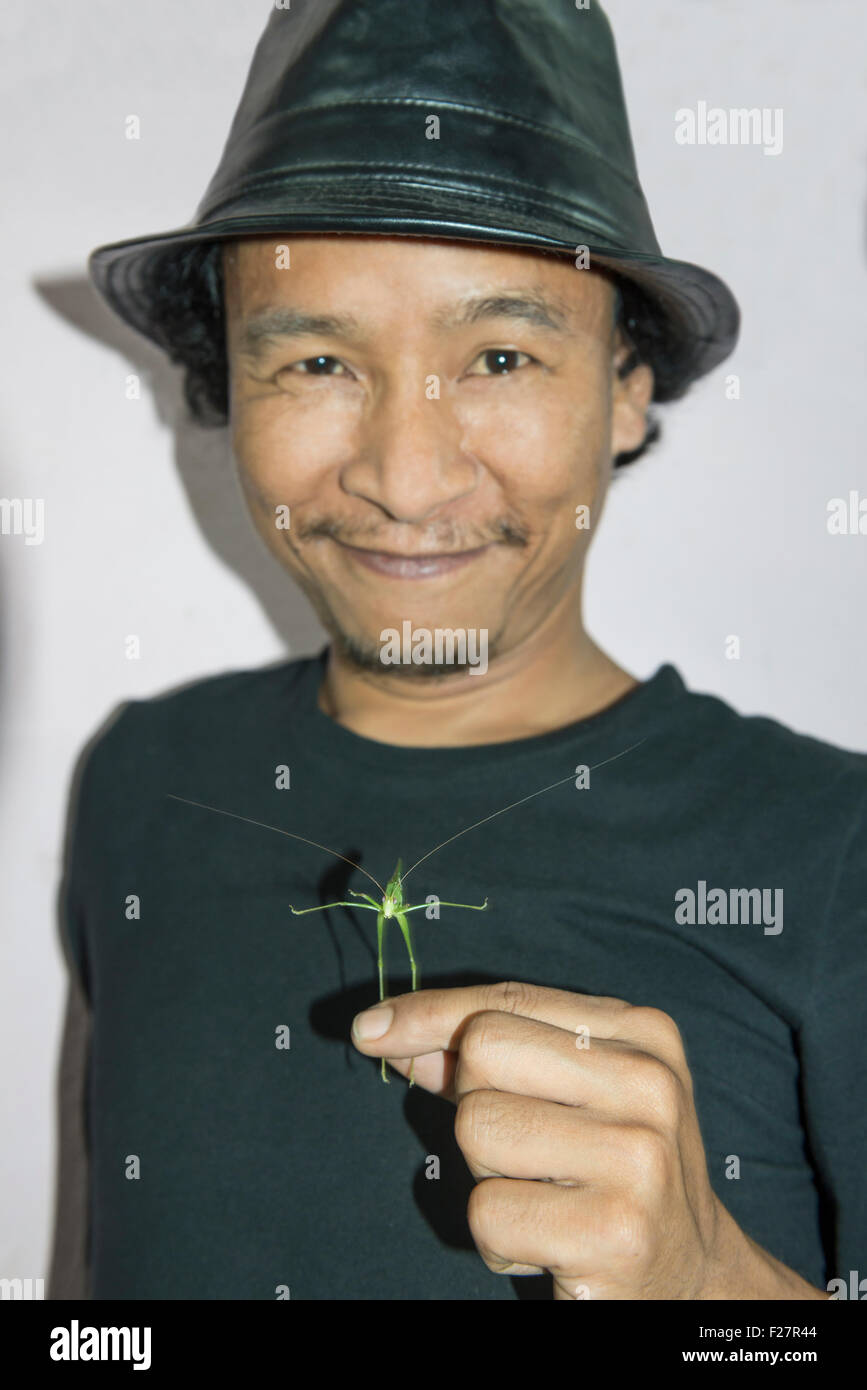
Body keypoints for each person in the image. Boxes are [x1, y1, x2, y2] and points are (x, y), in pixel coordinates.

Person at [54, 0, 864, 1301]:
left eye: (498, 354)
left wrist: (713, 1283)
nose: (405, 474)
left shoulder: (838, 850)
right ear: (229, 389)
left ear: (627, 391)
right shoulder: (143, 777)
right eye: (317, 358)